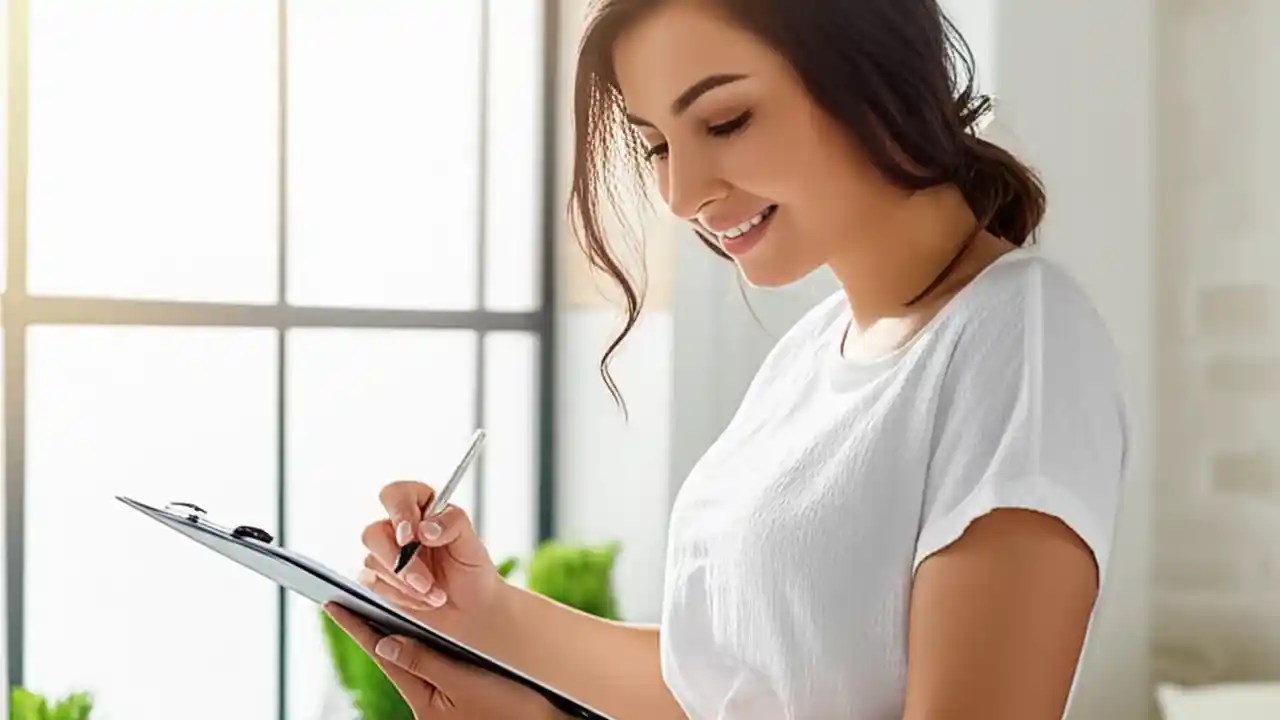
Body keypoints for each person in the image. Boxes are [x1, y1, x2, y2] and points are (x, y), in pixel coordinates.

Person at [324, 0, 1131, 718]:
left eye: (724, 122)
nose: (681, 195)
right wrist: (482, 610)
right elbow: (713, 689)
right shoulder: (809, 357)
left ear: (872, 74)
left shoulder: (1022, 336)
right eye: (656, 148)